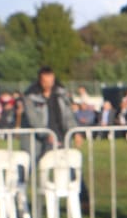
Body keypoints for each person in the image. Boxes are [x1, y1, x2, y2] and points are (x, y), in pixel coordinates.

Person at [21, 66, 88, 208]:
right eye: (45, 81)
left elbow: (68, 115)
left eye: (51, 80)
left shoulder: (61, 94)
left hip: (59, 135)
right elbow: (33, 119)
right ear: (40, 80)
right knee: (26, 169)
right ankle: (18, 199)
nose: (49, 84)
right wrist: (46, 134)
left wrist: (75, 132)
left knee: (70, 165)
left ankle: (83, 200)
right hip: (36, 140)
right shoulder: (30, 96)